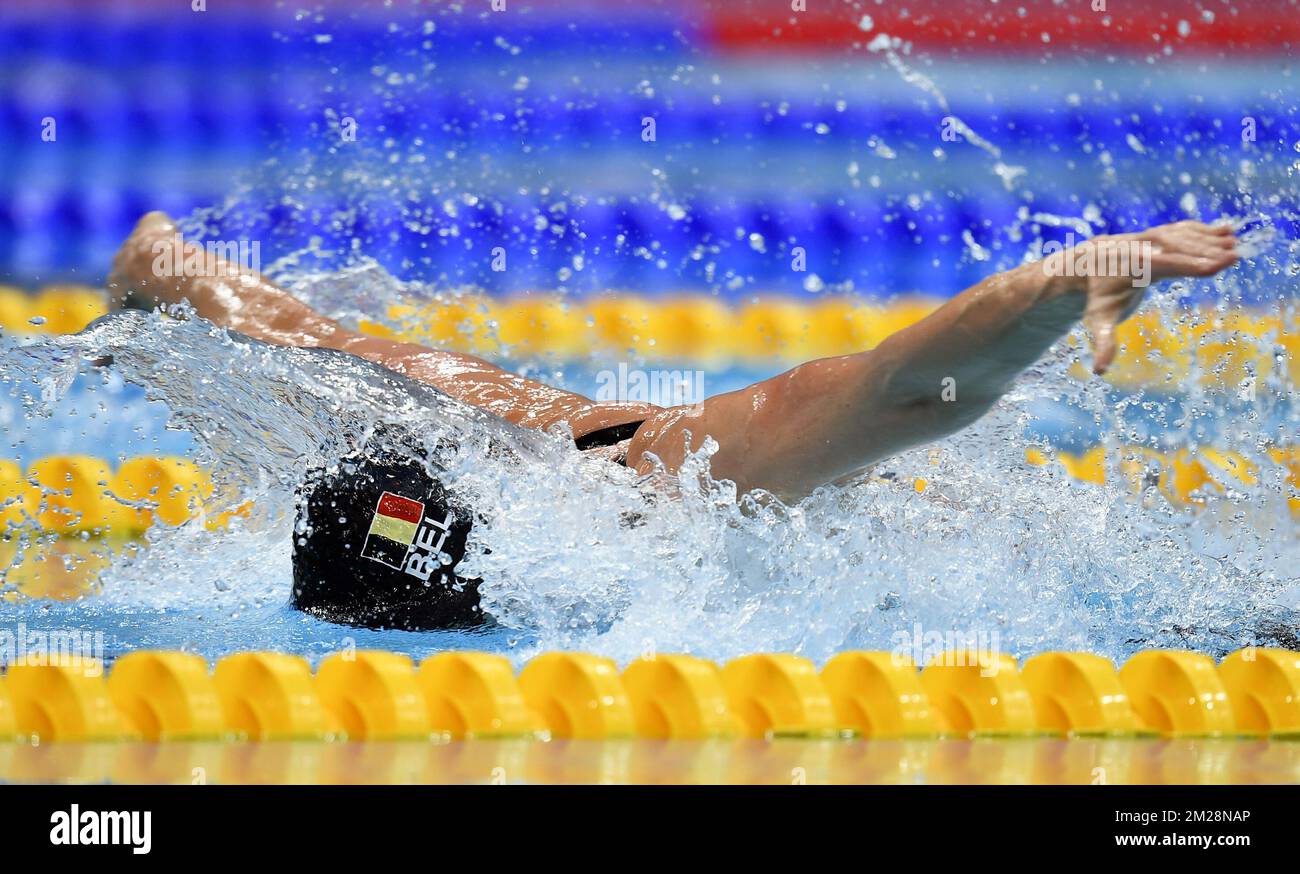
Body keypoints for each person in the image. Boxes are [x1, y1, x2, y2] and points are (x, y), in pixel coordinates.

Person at [107, 211, 1238, 629]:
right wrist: (159, 267)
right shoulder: (443, 413)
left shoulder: (647, 486)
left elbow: (888, 387)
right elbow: (256, 311)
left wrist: (1062, 281)